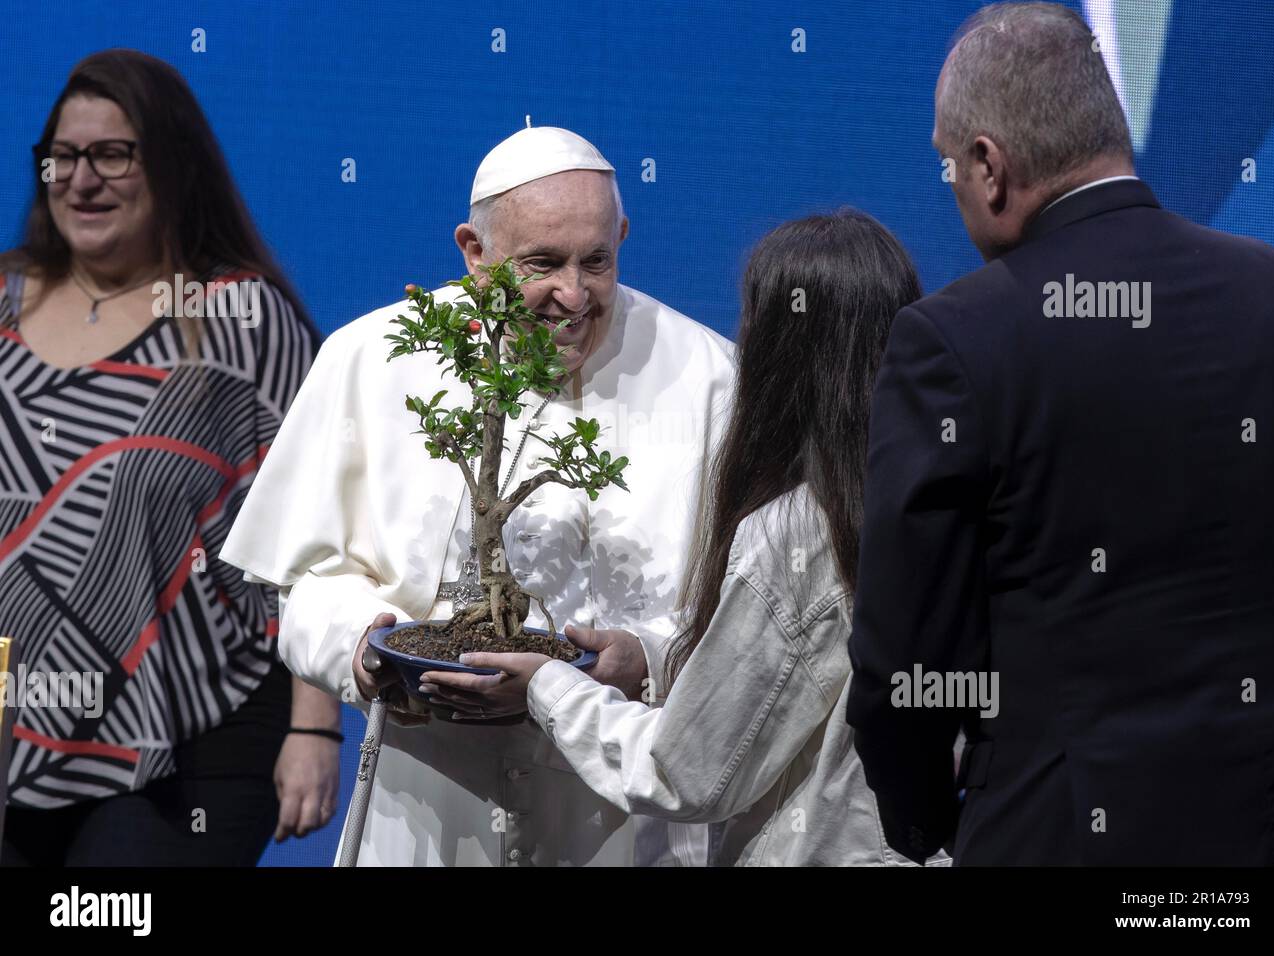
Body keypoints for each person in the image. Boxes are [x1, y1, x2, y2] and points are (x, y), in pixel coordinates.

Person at [846, 2, 1274, 865]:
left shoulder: (953, 342)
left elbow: (909, 660)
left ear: (988, 165)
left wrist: (922, 822)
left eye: (948, 167)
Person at [221, 125, 736, 866]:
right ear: (473, 251)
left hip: (620, 813)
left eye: (598, 260)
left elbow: (747, 614)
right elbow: (306, 591)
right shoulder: (372, 361)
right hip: (432, 795)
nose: (573, 294)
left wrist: (645, 660)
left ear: (623, 234)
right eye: (542, 264)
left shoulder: (711, 376)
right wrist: (371, 651)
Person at [425, 210, 948, 866]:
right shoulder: (950, 493)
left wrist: (546, 687)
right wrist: (653, 661)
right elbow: (800, 673)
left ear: (776, 347)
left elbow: (683, 773)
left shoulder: (799, 533)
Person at [0, 49, 339, 865]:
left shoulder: (242, 321)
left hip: (195, 746)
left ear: (172, 165)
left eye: (114, 154)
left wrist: (314, 726)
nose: (83, 179)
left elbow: (321, 533)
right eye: (64, 156)